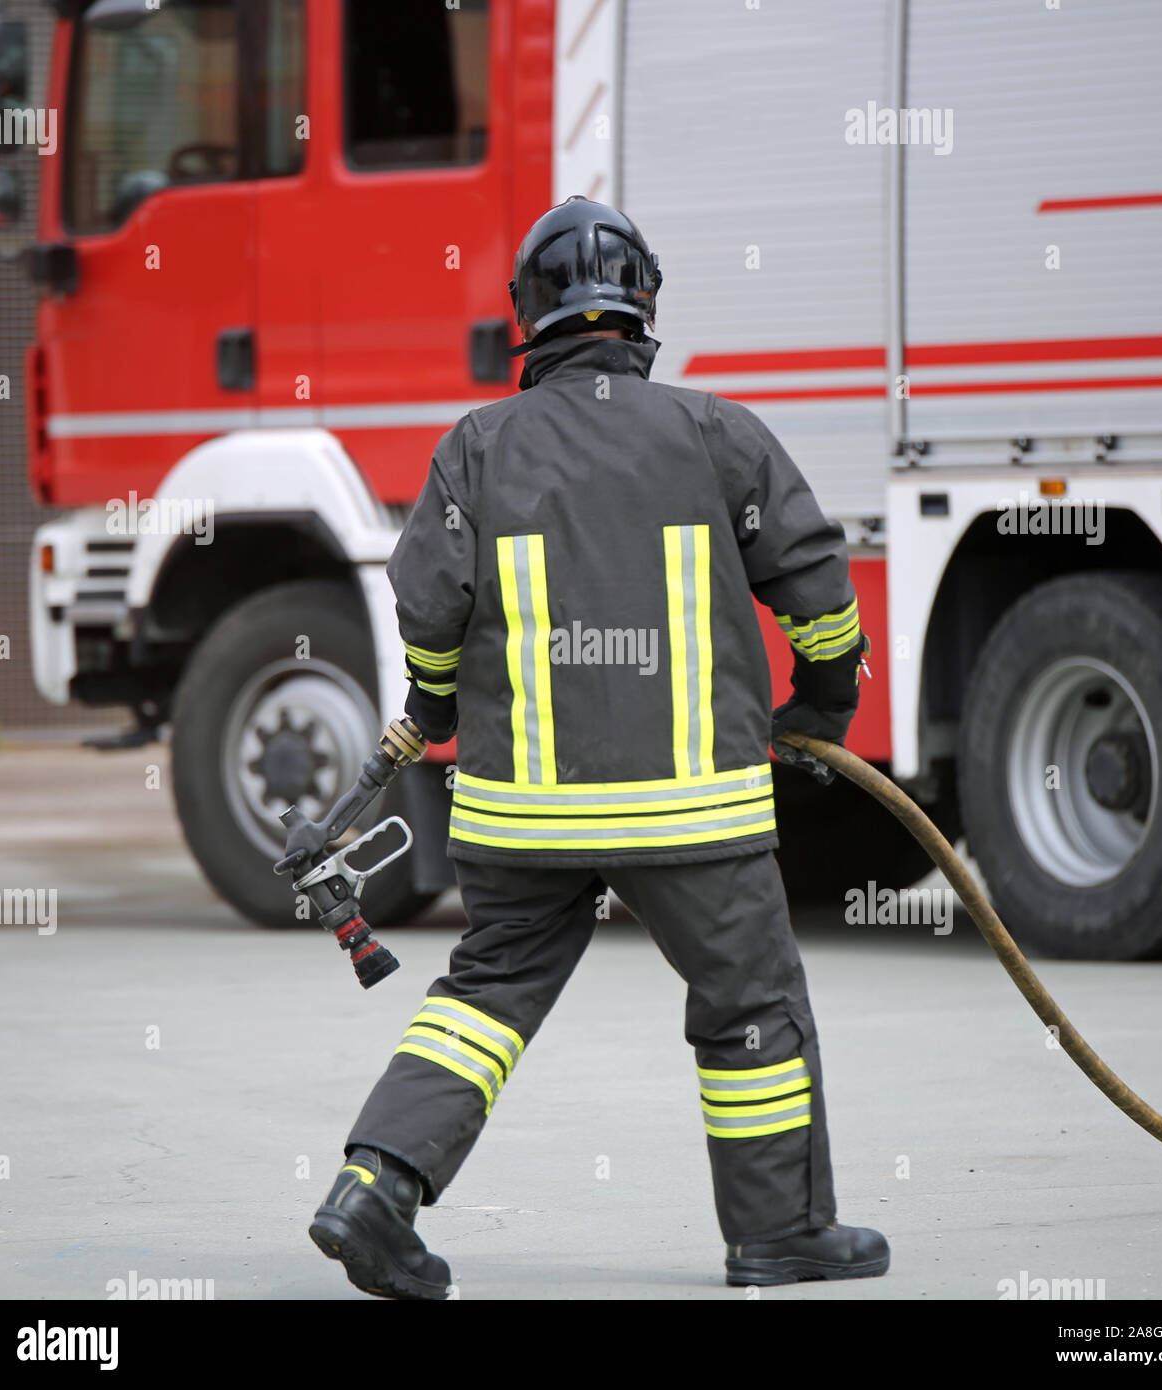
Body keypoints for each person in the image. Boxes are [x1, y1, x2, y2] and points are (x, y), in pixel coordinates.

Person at [309, 196, 887, 1299]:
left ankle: (371, 1189)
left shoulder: (474, 448)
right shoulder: (716, 434)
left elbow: (427, 613)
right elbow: (818, 596)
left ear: (528, 319)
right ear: (644, 308)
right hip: (694, 818)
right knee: (749, 1002)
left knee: (484, 994)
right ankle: (779, 1234)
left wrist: (433, 713)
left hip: (518, 820)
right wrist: (817, 710)